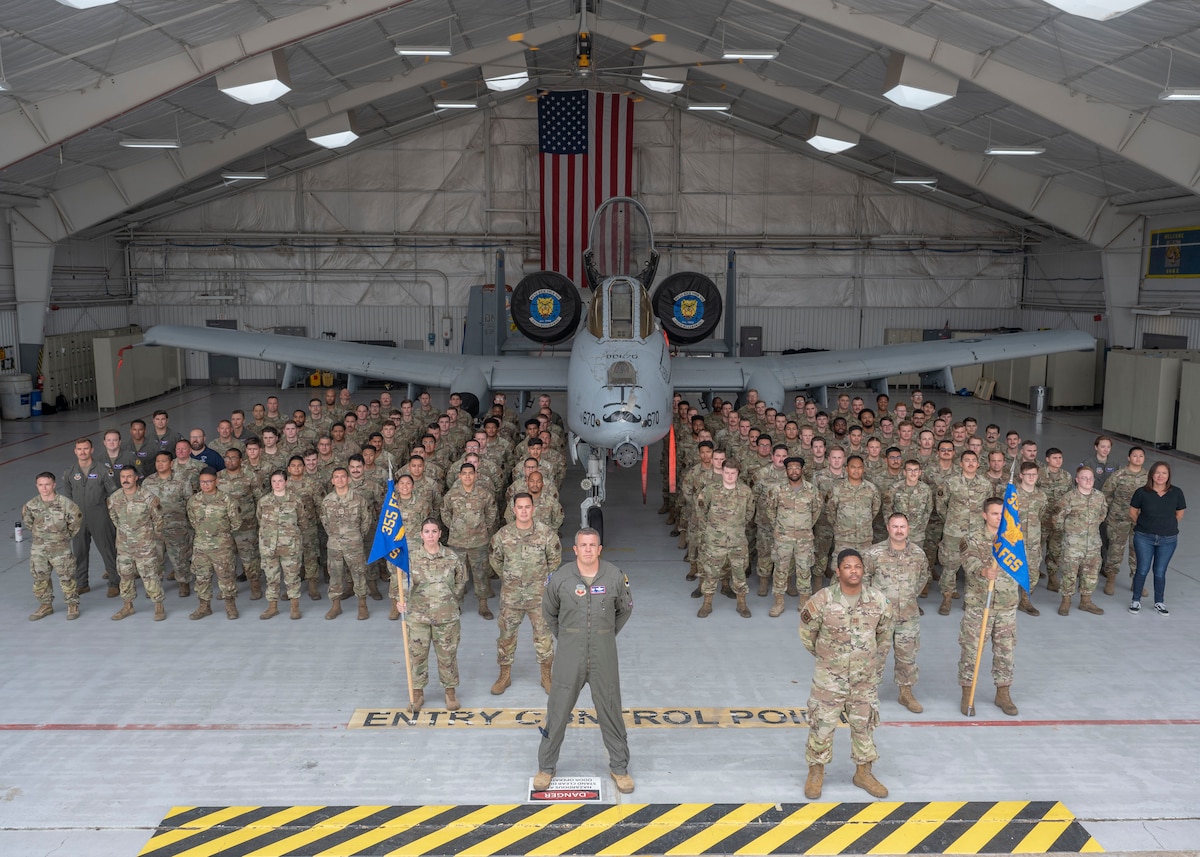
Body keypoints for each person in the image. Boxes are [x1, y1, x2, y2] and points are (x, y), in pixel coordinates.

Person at [535, 528, 634, 795]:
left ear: (599, 549)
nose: (588, 549)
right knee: (557, 709)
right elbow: (549, 610)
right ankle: (546, 766)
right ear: (575, 549)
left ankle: (619, 767)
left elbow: (624, 610)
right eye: (583, 545)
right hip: (570, 653)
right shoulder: (561, 578)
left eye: (593, 545)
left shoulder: (614, 576)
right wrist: (568, 636)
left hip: (604, 653)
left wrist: (603, 634)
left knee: (610, 709)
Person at [799, 548, 893, 800]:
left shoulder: (878, 601)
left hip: (864, 679)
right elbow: (808, 634)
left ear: (864, 570)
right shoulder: (823, 600)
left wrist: (869, 662)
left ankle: (863, 772)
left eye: (858, 566)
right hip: (830, 678)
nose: (854, 571)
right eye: (848, 567)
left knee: (864, 726)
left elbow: (884, 637)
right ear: (838, 571)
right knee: (822, 725)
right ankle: (816, 772)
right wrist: (829, 659)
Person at [489, 493, 562, 695]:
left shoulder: (545, 534)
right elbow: (495, 560)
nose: (523, 511)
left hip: (539, 597)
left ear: (533, 508)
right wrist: (510, 577)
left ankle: (546, 676)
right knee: (506, 636)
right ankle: (504, 675)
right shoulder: (503, 535)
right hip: (511, 597)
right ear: (513, 510)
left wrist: (543, 581)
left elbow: (554, 560)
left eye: (527, 507)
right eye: (519, 507)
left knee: (543, 637)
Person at [957, 498, 1020, 717]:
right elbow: (969, 561)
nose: (999, 518)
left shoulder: (1013, 539)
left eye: (1002, 514)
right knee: (972, 651)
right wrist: (983, 571)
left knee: (1005, 651)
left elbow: (1022, 564)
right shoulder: (972, 539)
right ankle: (968, 693)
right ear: (984, 515)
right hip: (979, 604)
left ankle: (1003, 692)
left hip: (1006, 605)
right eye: (994, 514)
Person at [862, 513, 929, 714]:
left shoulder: (918, 554)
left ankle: (905, 692)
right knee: (875, 656)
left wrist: (909, 597)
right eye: (895, 526)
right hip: (880, 616)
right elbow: (863, 580)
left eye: (902, 527)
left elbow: (923, 577)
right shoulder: (874, 553)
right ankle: (867, 694)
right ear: (888, 528)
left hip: (908, 615)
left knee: (907, 656)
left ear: (908, 529)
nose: (899, 530)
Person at [406, 517, 469, 713]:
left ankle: (450, 693)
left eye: (434, 531)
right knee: (417, 656)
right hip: (419, 617)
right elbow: (401, 582)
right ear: (421, 535)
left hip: (446, 616)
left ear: (440, 534)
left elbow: (462, 578)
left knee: (447, 655)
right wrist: (400, 600)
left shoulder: (451, 557)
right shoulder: (412, 558)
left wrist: (450, 597)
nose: (431, 535)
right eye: (427, 531)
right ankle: (417, 694)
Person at [695, 460, 755, 618]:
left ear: (737, 474)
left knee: (739, 572)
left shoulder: (745, 491)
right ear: (722, 472)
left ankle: (741, 603)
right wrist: (713, 528)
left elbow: (750, 512)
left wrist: (736, 527)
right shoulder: (710, 490)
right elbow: (701, 510)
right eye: (727, 472)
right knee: (711, 573)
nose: (730, 476)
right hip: (715, 541)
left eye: (733, 473)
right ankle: (707, 604)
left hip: (737, 541)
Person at [59, 437, 118, 596]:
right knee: (79, 551)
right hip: (79, 518)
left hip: (100, 515)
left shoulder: (103, 470)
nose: (83, 452)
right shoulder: (69, 472)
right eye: (79, 449)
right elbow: (68, 498)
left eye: (86, 448)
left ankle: (114, 583)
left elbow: (113, 494)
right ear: (75, 451)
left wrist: (111, 516)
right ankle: (82, 583)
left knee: (108, 549)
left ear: (91, 450)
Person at [107, 467, 166, 621]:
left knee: (150, 576)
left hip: (144, 546)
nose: (125, 479)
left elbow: (158, 520)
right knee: (125, 576)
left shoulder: (148, 497)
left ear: (136, 478)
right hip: (124, 547)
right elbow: (114, 518)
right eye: (123, 477)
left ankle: (158, 606)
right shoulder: (114, 498)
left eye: (129, 476)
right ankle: (128, 606)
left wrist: (150, 537)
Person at [23, 472, 84, 621]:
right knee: (40, 578)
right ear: (37, 486)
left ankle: (72, 604)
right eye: (41, 485)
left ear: (54, 485)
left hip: (61, 549)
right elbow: (29, 523)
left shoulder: (66, 504)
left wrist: (63, 537)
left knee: (67, 577)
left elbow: (75, 524)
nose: (44, 488)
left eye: (47, 484)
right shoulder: (31, 505)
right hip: (39, 549)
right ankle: (45, 605)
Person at [1130, 461, 1186, 615]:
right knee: (1142, 569)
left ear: (1168, 476)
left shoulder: (1176, 492)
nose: (1160, 476)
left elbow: (1179, 514)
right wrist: (1146, 525)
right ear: (1151, 475)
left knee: (1160, 571)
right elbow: (1133, 512)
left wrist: (1165, 525)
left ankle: (1159, 602)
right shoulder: (1142, 492)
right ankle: (1135, 600)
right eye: (1157, 473)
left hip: (1168, 539)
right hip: (1143, 537)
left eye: (1164, 473)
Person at [1049, 467, 1107, 616]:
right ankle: (1066, 601)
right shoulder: (1069, 497)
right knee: (1069, 573)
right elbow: (1057, 517)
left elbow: (1102, 514)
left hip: (1093, 543)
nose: (1088, 481)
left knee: (1091, 573)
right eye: (1084, 478)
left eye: (1090, 478)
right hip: (1073, 545)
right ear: (1077, 480)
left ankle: (1086, 601)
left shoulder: (1099, 497)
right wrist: (1069, 532)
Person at [185, 468, 240, 620]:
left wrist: (220, 534)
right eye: (203, 482)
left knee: (226, 576)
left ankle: (230, 605)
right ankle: (204, 606)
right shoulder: (194, 501)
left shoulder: (226, 499)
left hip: (222, 546)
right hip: (201, 545)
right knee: (202, 577)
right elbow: (192, 521)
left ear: (216, 481)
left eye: (209, 481)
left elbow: (236, 522)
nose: (206, 484)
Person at [320, 467, 372, 620]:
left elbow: (366, 520)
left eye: (343, 477)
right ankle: (336, 606)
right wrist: (336, 536)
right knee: (334, 575)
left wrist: (356, 536)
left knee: (359, 574)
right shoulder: (327, 501)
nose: (340, 480)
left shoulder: (359, 499)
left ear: (348, 479)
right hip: (334, 544)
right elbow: (325, 522)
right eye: (336, 477)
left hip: (354, 543)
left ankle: (362, 605)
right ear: (332, 481)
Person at [257, 470, 306, 620]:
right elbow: (260, 520)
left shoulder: (295, 500)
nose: (277, 484)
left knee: (292, 577)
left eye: (280, 481)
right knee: (271, 577)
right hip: (269, 546)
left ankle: (294, 607)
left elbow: (302, 521)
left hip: (290, 546)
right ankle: (272, 607)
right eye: (274, 481)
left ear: (286, 482)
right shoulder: (264, 502)